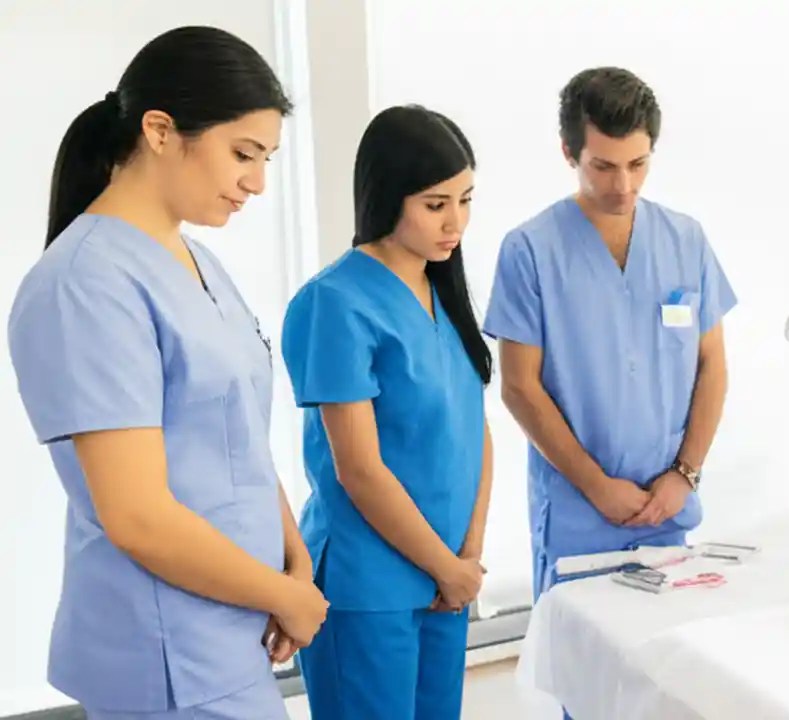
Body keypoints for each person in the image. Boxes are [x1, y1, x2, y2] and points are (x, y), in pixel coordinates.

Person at [7, 26, 328, 719]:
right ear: (159, 129)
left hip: (233, 631)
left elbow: (238, 437)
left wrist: (292, 559)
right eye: (243, 154)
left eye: (267, 158)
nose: (257, 182)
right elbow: (137, 516)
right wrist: (282, 595)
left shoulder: (198, 262)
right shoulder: (85, 282)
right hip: (166, 651)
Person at [484, 67, 737, 600]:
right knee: (579, 674)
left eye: (637, 165)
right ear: (569, 154)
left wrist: (683, 475)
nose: (623, 186)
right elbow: (519, 387)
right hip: (578, 519)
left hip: (665, 513)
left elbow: (711, 363)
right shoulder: (530, 250)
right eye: (603, 166)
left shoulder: (685, 241)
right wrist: (596, 486)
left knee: (663, 669)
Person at [280, 105, 493, 720]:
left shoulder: (440, 291)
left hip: (445, 579)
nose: (456, 222)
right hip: (368, 585)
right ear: (386, 197)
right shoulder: (336, 304)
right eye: (435, 204)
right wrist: (446, 567)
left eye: (466, 199)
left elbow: (472, 428)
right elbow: (360, 471)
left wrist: (467, 557)